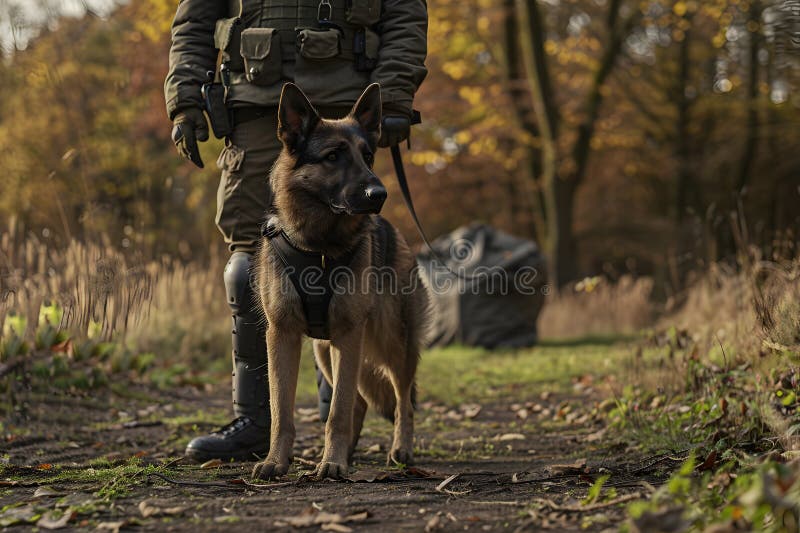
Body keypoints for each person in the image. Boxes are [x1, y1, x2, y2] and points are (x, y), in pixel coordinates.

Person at [164, 0, 428, 462]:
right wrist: (185, 97)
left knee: (352, 253)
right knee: (247, 261)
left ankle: (342, 424)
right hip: (254, 101)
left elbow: (405, 11)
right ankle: (255, 423)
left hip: (351, 88)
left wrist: (396, 92)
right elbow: (196, 16)